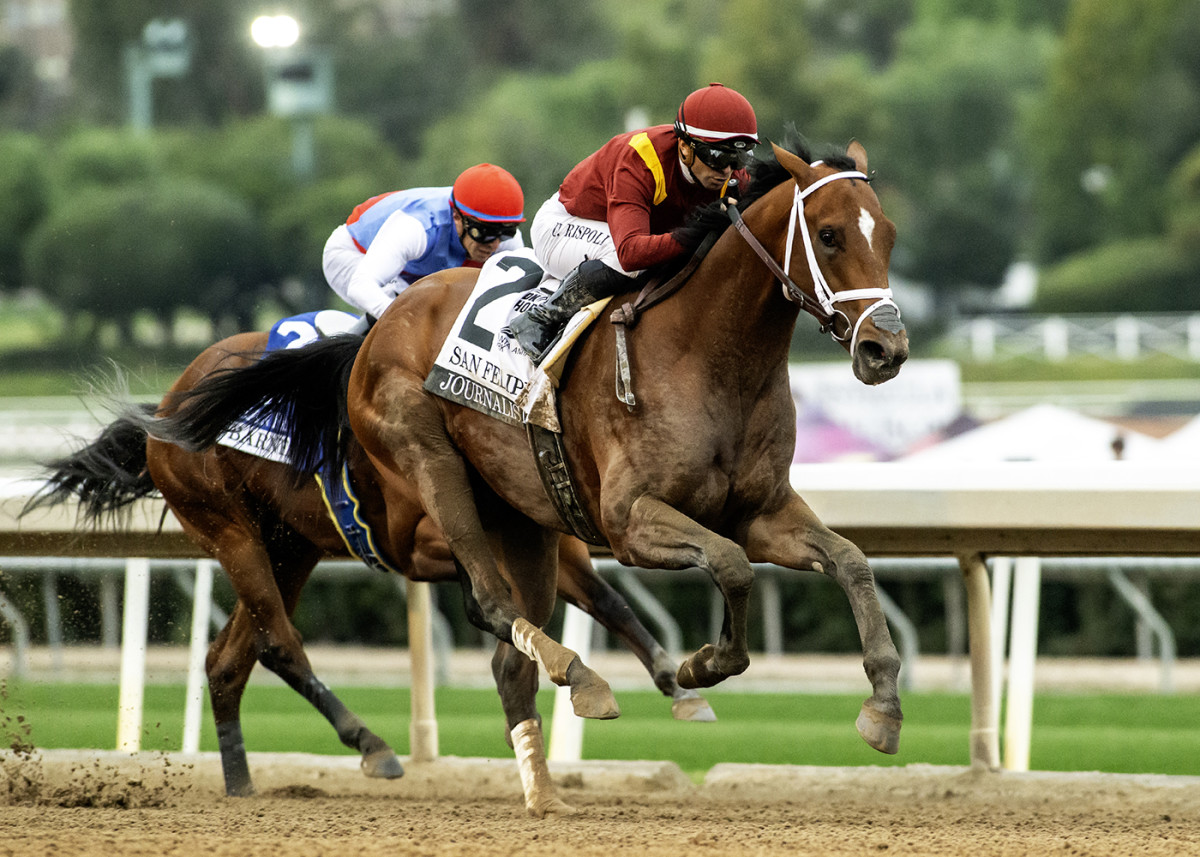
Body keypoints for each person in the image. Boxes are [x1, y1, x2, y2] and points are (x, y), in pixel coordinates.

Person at [510, 83, 758, 362]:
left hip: (625, 232)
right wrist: (699, 232)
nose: (727, 170)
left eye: (739, 158)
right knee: (630, 260)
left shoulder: (733, 176)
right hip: (563, 225)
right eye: (718, 157)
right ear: (685, 148)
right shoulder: (641, 158)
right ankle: (541, 318)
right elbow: (631, 254)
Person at [322, 163, 526, 326]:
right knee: (412, 310)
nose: (495, 244)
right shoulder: (417, 227)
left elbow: (523, 293)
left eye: (505, 233)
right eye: (485, 233)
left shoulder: (502, 236)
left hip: (415, 266)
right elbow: (361, 286)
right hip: (352, 254)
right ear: (457, 216)